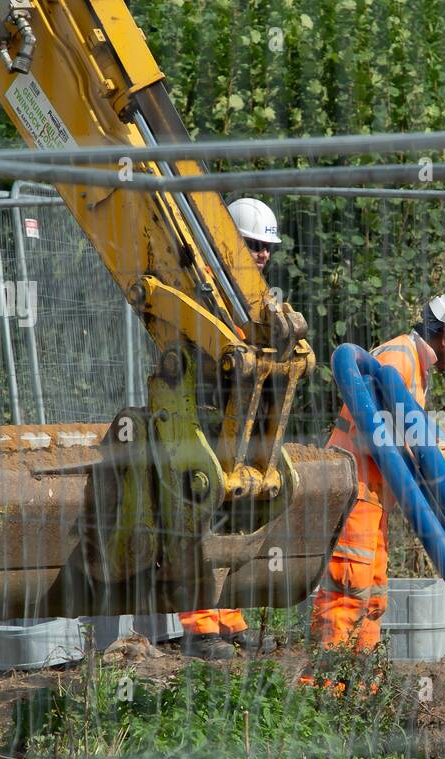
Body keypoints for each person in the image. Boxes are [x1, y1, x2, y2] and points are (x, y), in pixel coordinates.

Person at [308, 291, 445, 665]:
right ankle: (326, 692)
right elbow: (381, 434)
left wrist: (439, 445)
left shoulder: (413, 367)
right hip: (352, 492)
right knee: (348, 592)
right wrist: (435, 451)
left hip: (370, 497)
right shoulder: (398, 357)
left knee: (372, 597)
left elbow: (400, 432)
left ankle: (360, 687)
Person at [179, 197, 284, 657]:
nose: (261, 255)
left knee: (237, 514)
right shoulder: (206, 292)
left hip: (241, 419)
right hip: (204, 413)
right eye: (252, 245)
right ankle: (200, 625)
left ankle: (230, 617)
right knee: (200, 509)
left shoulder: (262, 302)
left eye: (266, 247)